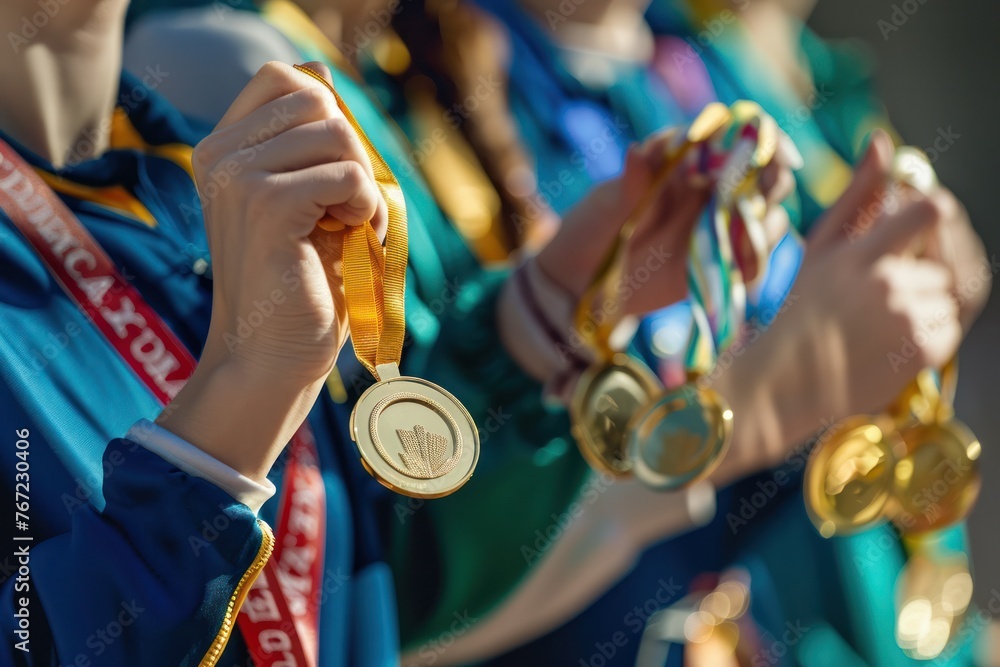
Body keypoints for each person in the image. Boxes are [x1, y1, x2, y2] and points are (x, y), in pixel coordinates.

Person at [124, 1, 986, 665]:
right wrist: (762, 399)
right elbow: (391, 581)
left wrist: (571, 305)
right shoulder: (236, 69)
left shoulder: (440, 60)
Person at [0, 0, 768, 665]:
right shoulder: (224, 77)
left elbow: (381, 576)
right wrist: (234, 405)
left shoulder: (189, 168)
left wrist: (569, 294)